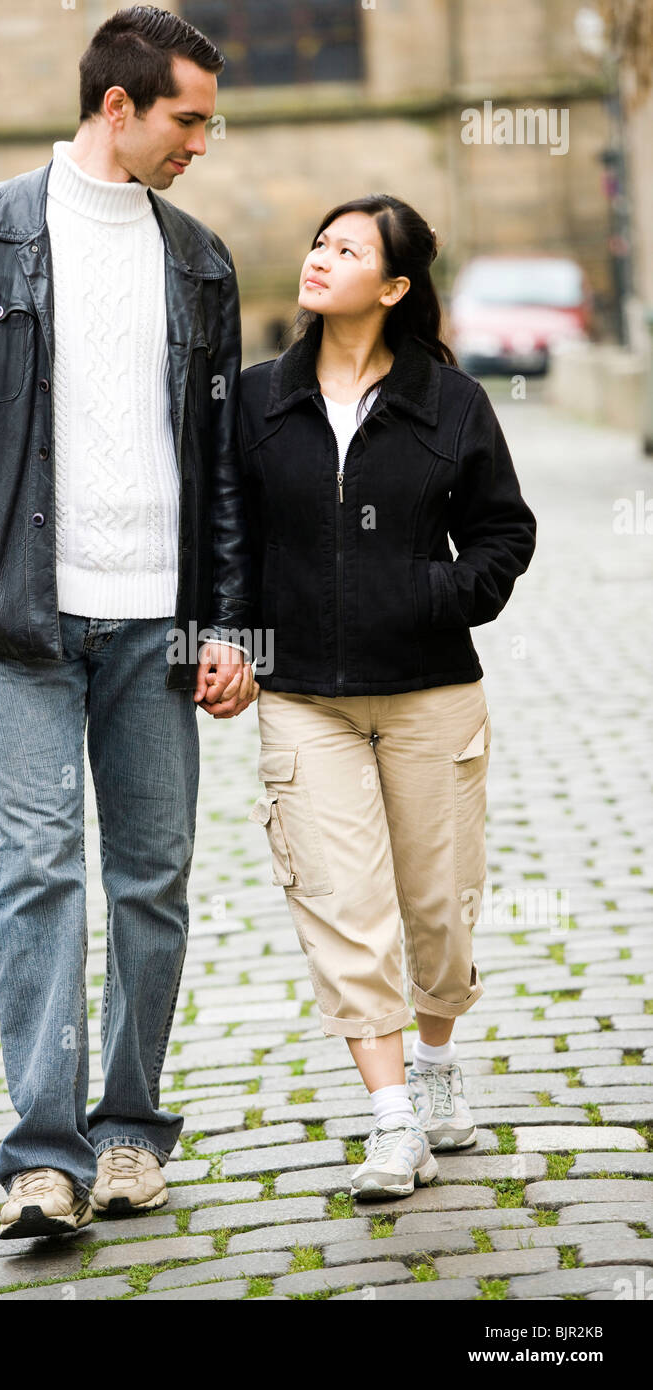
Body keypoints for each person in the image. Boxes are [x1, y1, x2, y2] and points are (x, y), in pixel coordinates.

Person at [0, 5, 257, 1241]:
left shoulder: (200, 260)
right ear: (118, 106)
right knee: (36, 874)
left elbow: (220, 467)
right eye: (186, 118)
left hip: (158, 624)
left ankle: (131, 1134)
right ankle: (41, 1160)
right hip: (25, 627)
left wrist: (231, 631)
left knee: (151, 879)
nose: (201, 141)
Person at [239, 194, 536, 1201]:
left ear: (394, 285)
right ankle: (389, 1119)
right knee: (340, 905)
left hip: (429, 694)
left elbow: (503, 532)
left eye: (346, 249)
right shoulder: (253, 399)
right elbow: (221, 535)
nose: (318, 259)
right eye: (317, 242)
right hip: (301, 699)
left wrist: (429, 594)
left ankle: (439, 1063)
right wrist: (224, 641)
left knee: (435, 913)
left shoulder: (448, 404)